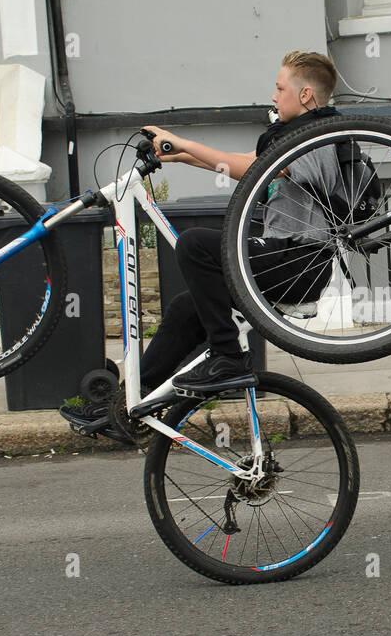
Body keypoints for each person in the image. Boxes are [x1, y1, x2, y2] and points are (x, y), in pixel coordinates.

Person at [62, 50, 344, 439]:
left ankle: (228, 357)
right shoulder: (297, 137)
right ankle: (129, 403)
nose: (274, 96)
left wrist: (184, 142)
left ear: (307, 95)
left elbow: (254, 168)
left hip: (297, 261)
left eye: (280, 89)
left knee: (195, 245)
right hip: (280, 259)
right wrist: (180, 156)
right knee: (186, 308)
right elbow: (239, 161)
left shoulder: (315, 137)